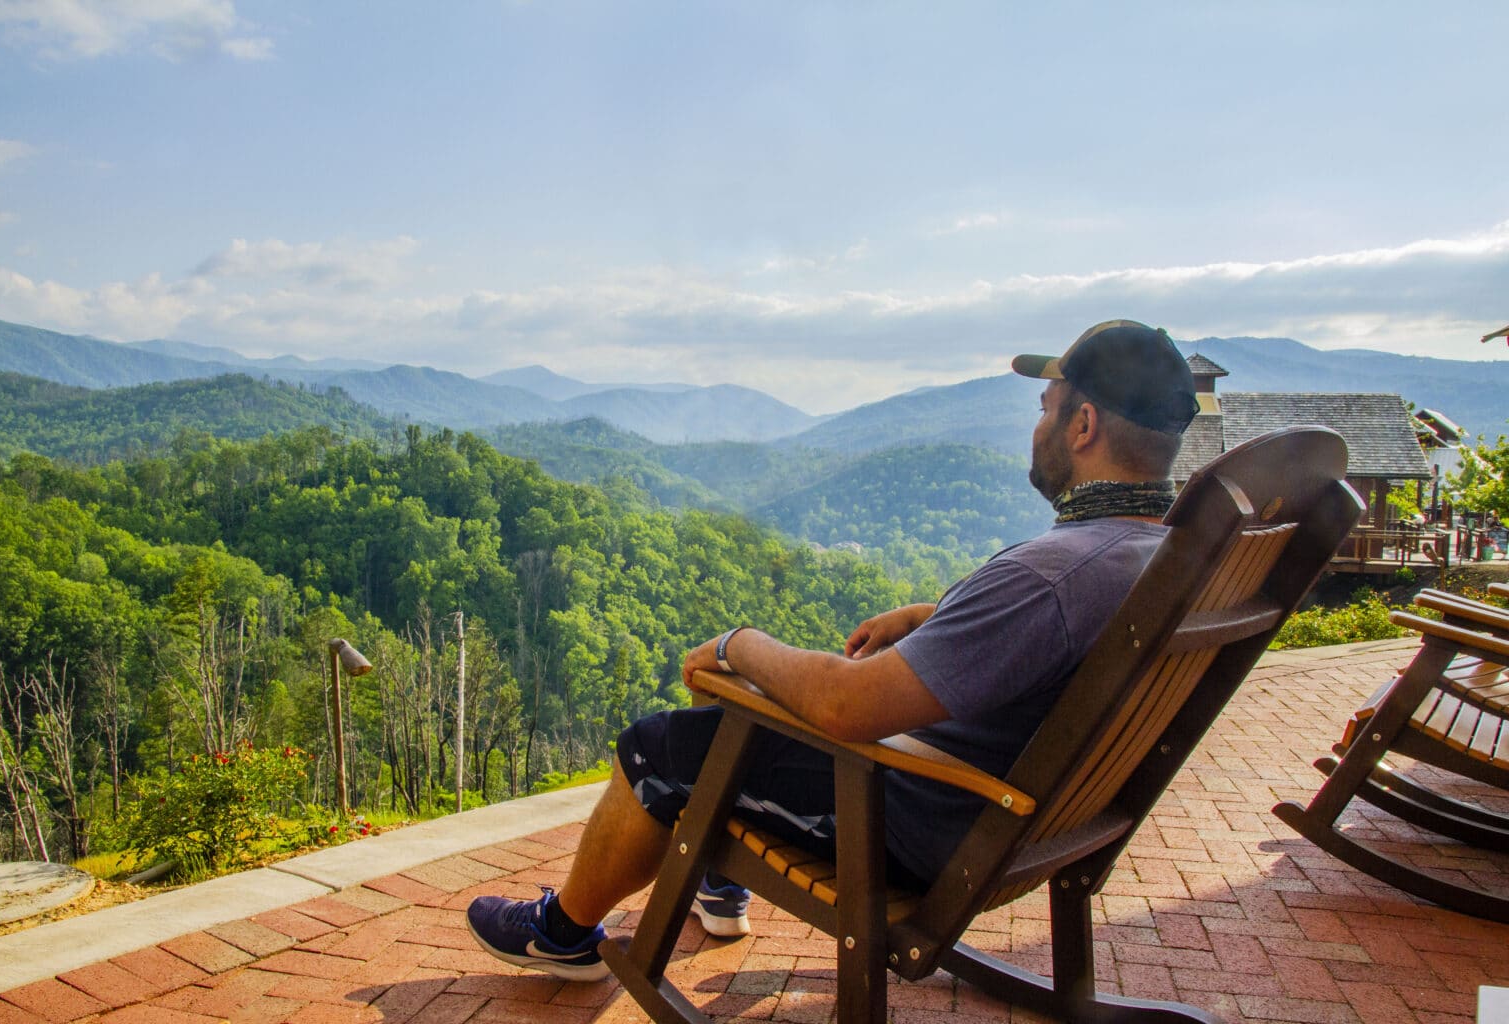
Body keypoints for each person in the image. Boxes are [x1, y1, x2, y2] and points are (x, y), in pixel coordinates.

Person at [464, 319, 1200, 982]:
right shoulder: (1157, 558)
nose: (1036, 425)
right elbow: (1044, 637)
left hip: (909, 816)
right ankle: (720, 891)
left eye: (1045, 408)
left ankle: (562, 934)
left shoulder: (1050, 575)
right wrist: (934, 617)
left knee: (664, 745)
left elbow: (847, 708)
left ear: (1084, 425)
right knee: (740, 718)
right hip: (1018, 823)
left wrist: (737, 643)